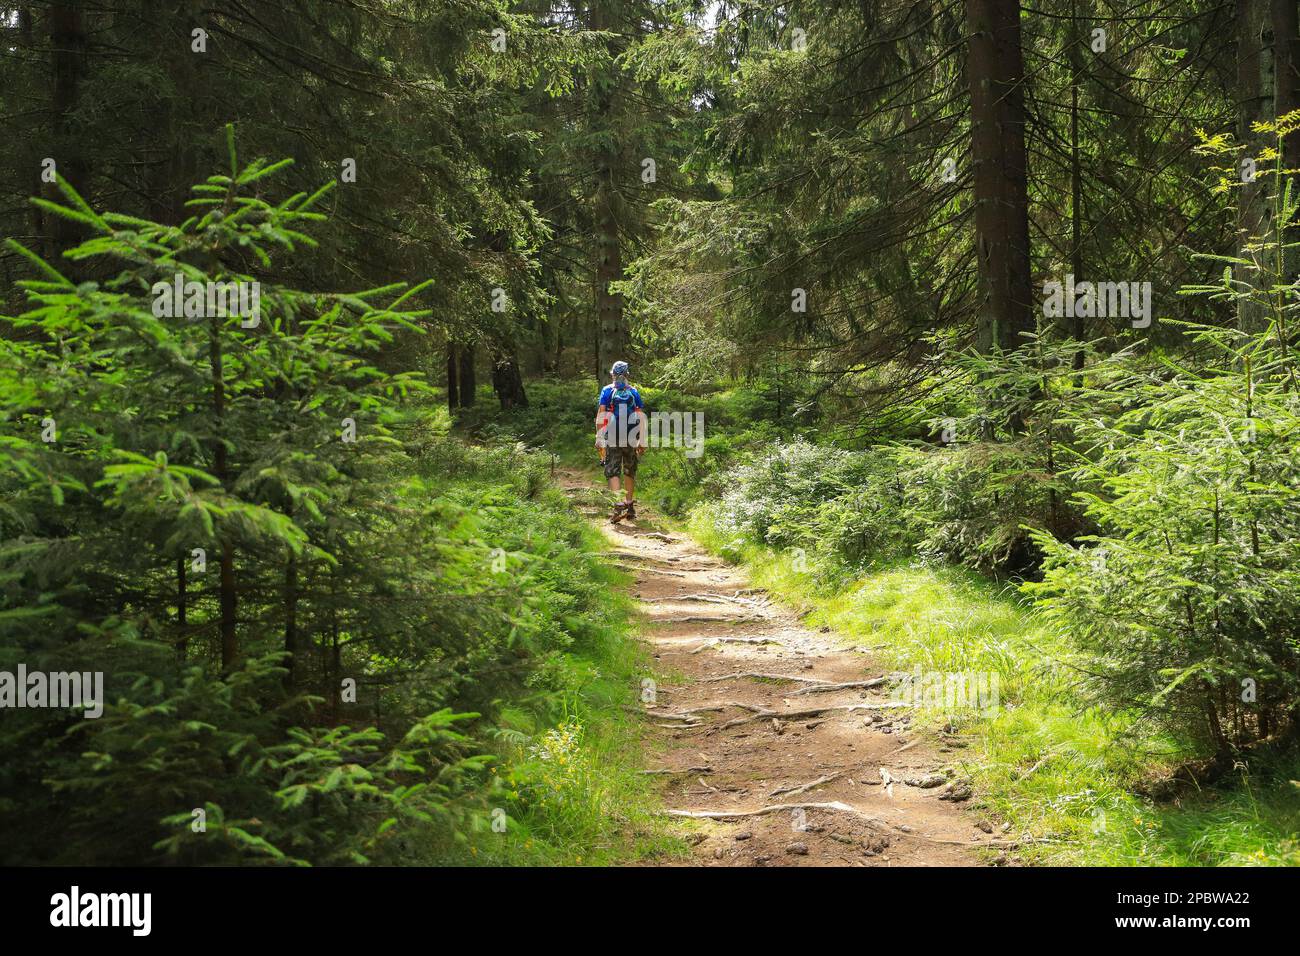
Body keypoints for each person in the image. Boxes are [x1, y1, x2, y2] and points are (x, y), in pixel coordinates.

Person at [595, 360, 646, 523]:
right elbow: (641, 418)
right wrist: (642, 439)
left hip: (613, 434)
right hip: (632, 435)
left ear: (612, 375)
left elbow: (601, 416)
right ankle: (630, 506)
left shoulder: (606, 391)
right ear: (627, 375)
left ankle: (618, 505)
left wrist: (599, 436)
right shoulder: (634, 392)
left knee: (613, 470)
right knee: (630, 469)